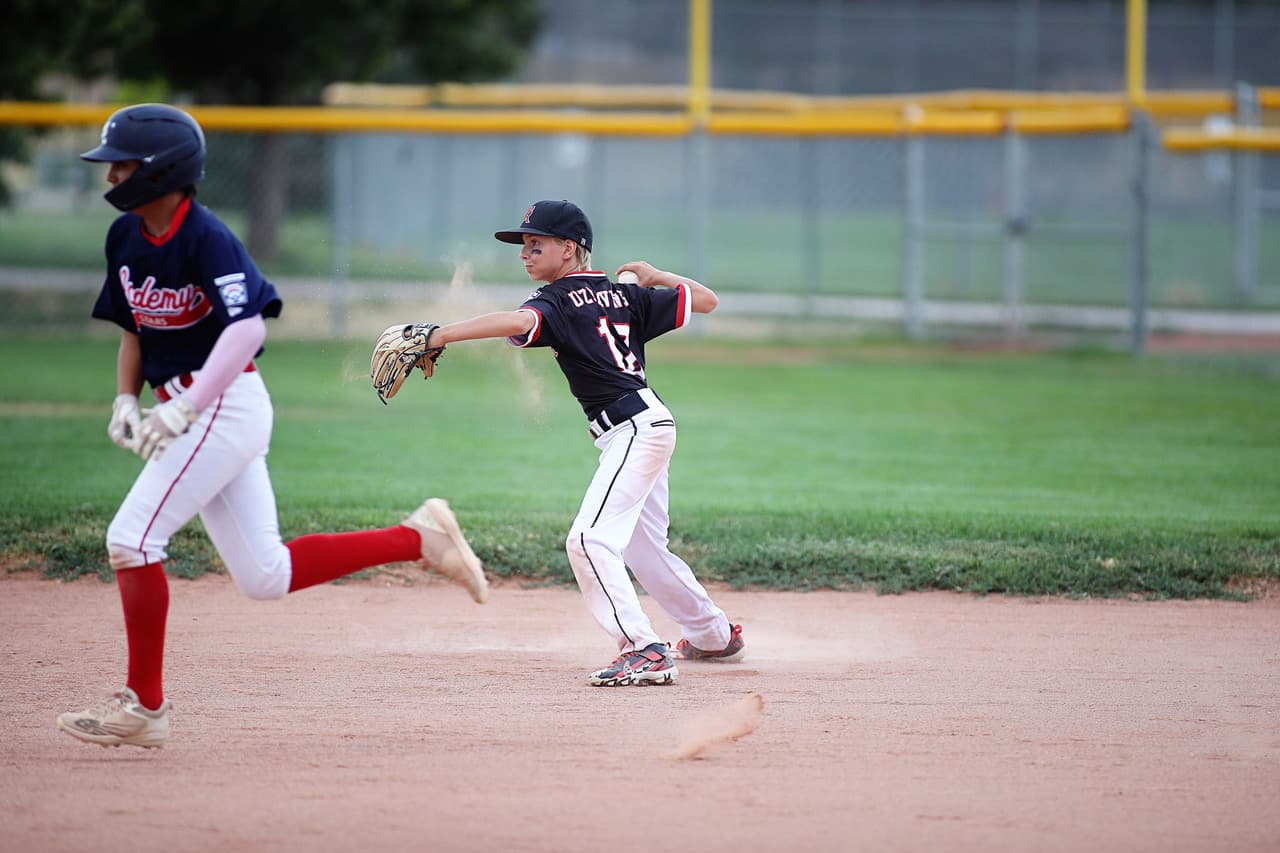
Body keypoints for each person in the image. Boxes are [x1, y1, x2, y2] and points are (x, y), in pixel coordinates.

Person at [57, 103, 489, 749]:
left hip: (223, 405)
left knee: (132, 538)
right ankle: (417, 537)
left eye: (123, 163)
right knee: (265, 575)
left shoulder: (205, 236)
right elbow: (134, 331)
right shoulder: (124, 239)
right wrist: (125, 399)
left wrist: (187, 405)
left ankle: (145, 708)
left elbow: (249, 325)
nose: (111, 174)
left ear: (163, 170)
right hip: (202, 409)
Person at [418, 199, 745, 686]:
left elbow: (513, 322)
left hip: (633, 430)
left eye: (536, 244)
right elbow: (706, 300)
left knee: (589, 540)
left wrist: (438, 336)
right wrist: (657, 276)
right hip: (650, 424)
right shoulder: (623, 296)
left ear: (569, 249)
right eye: (524, 246)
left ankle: (643, 649)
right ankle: (714, 636)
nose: (525, 254)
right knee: (643, 549)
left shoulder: (556, 302)